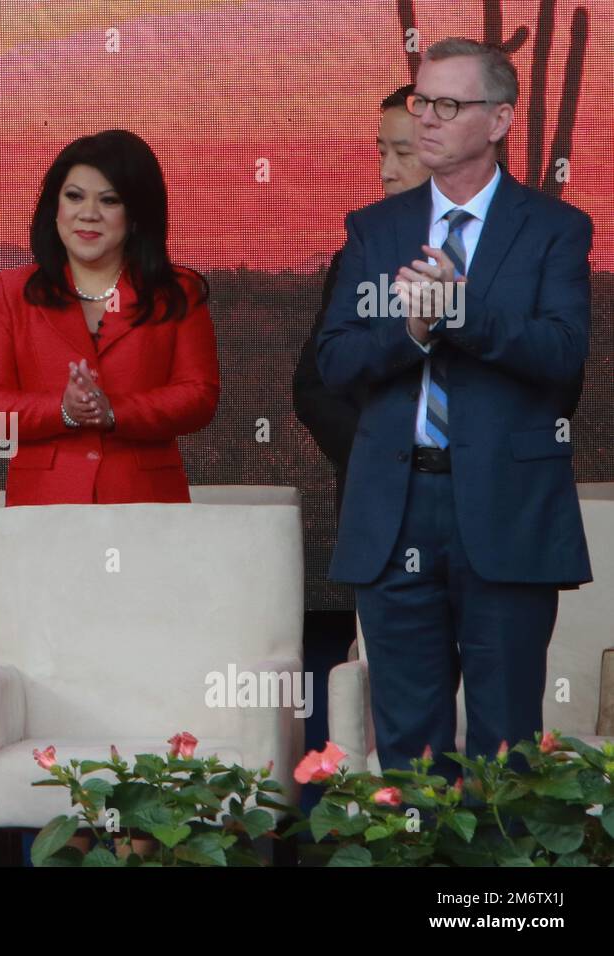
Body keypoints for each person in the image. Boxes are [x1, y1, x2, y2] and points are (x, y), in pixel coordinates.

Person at [316, 38, 592, 780]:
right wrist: (408, 330)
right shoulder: (375, 229)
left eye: (449, 104)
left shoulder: (554, 229)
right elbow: (334, 362)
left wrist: (457, 314)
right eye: (421, 102)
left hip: (506, 511)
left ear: (500, 119)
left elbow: (563, 355)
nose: (428, 120)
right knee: (410, 751)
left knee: (506, 749)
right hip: (396, 506)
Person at [0, 129, 219, 505]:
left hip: (146, 508)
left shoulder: (178, 292)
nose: (88, 214)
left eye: (109, 200)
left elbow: (199, 397)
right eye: (74, 196)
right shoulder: (10, 290)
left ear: (136, 215)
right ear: (55, 208)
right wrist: (63, 412)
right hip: (44, 510)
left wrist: (115, 412)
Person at [293, 84, 430, 514]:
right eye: (381, 152)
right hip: (377, 505)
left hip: (488, 501)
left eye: (403, 154)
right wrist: (384, 458)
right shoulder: (360, 252)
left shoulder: (514, 247)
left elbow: (554, 381)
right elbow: (315, 386)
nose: (386, 170)